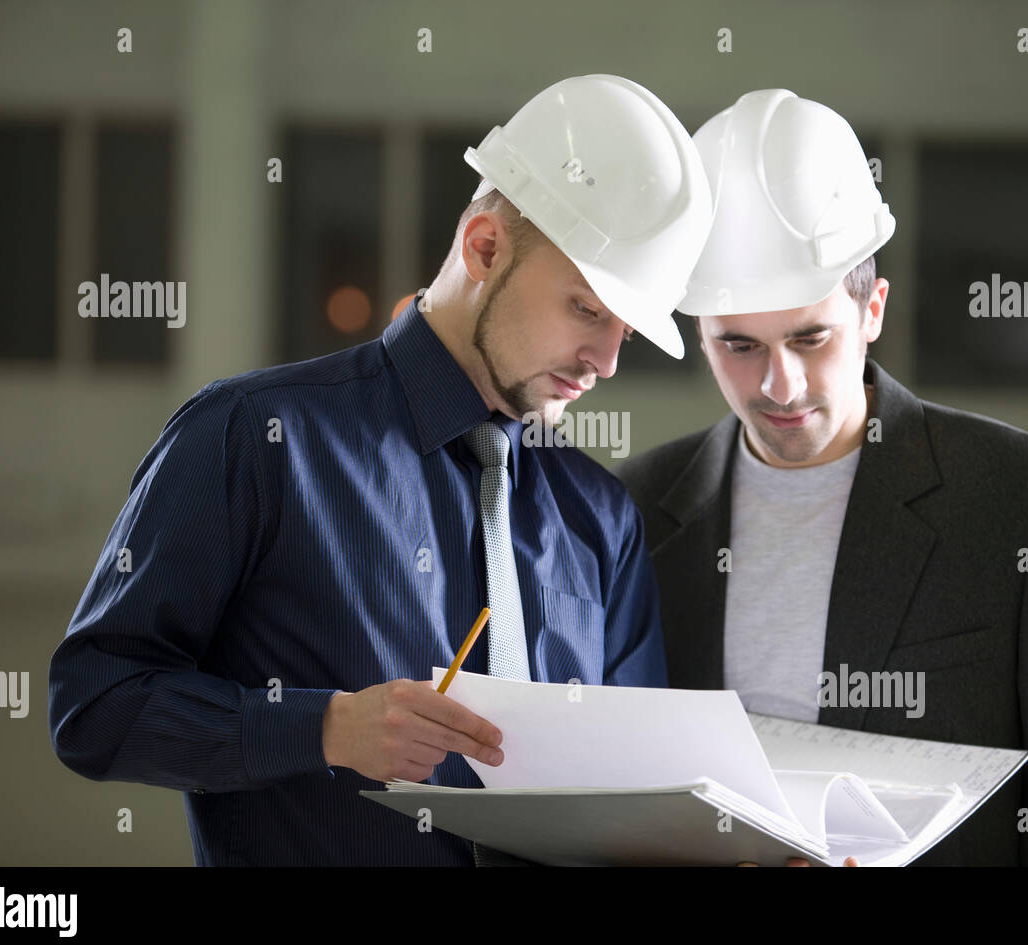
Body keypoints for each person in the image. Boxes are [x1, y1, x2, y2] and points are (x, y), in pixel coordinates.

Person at [48, 74, 714, 866]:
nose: (605, 360)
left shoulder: (601, 517)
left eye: (627, 332)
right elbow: (94, 704)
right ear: (485, 246)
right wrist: (324, 727)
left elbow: (636, 802)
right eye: (588, 309)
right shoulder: (255, 439)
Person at [616, 90, 1028, 865]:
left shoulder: (1025, 500)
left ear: (874, 311)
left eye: (810, 337)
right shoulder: (637, 505)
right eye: (740, 347)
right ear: (700, 334)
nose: (780, 387)